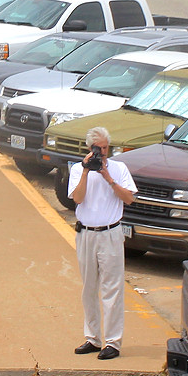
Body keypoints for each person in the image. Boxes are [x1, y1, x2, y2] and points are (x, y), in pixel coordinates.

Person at [69, 126, 136, 361]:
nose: (103, 153)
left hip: (110, 233)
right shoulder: (78, 169)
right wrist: (88, 171)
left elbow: (129, 198)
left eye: (106, 148)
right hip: (86, 233)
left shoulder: (119, 168)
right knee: (89, 288)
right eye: (99, 149)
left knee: (112, 289)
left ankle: (113, 342)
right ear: (90, 149)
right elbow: (77, 198)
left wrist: (108, 178)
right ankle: (92, 338)